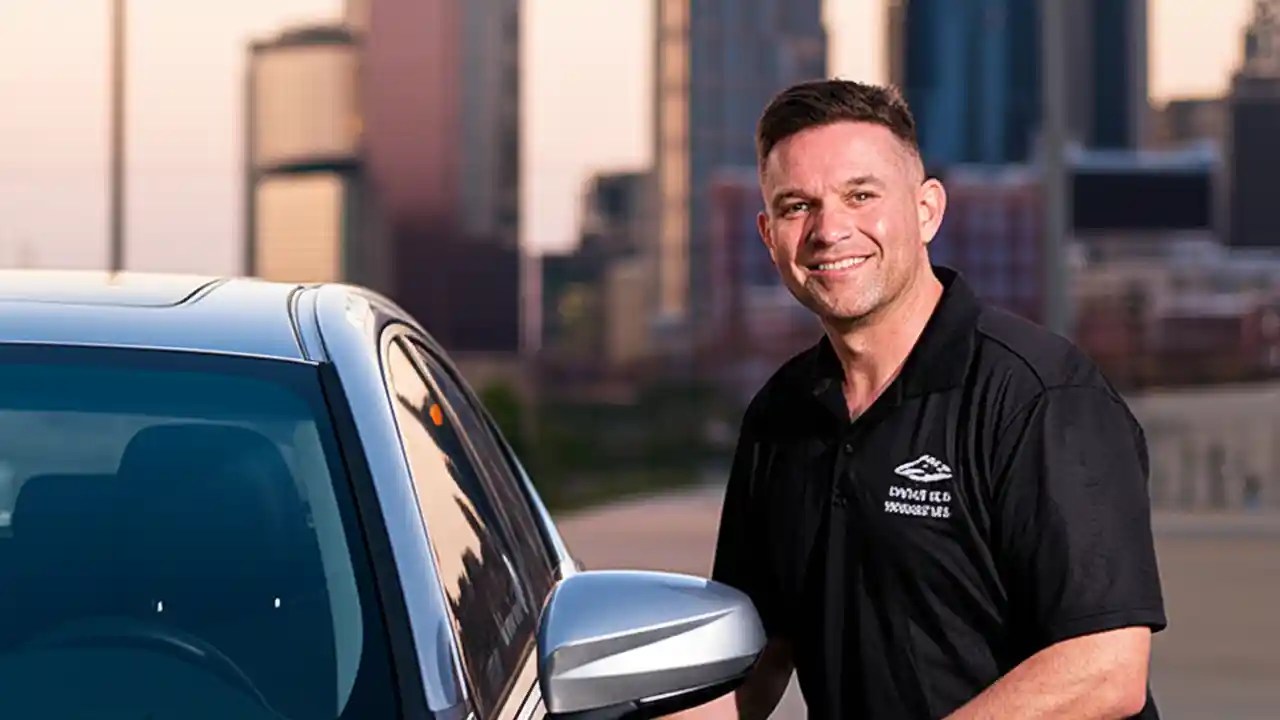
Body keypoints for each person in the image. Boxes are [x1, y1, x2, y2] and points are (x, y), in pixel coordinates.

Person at [704, 79, 1167, 719]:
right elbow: (753, 663)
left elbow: (1106, 667)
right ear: (768, 234)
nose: (829, 229)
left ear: (927, 211)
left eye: (860, 195)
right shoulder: (780, 416)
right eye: (795, 206)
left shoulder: (1039, 396)